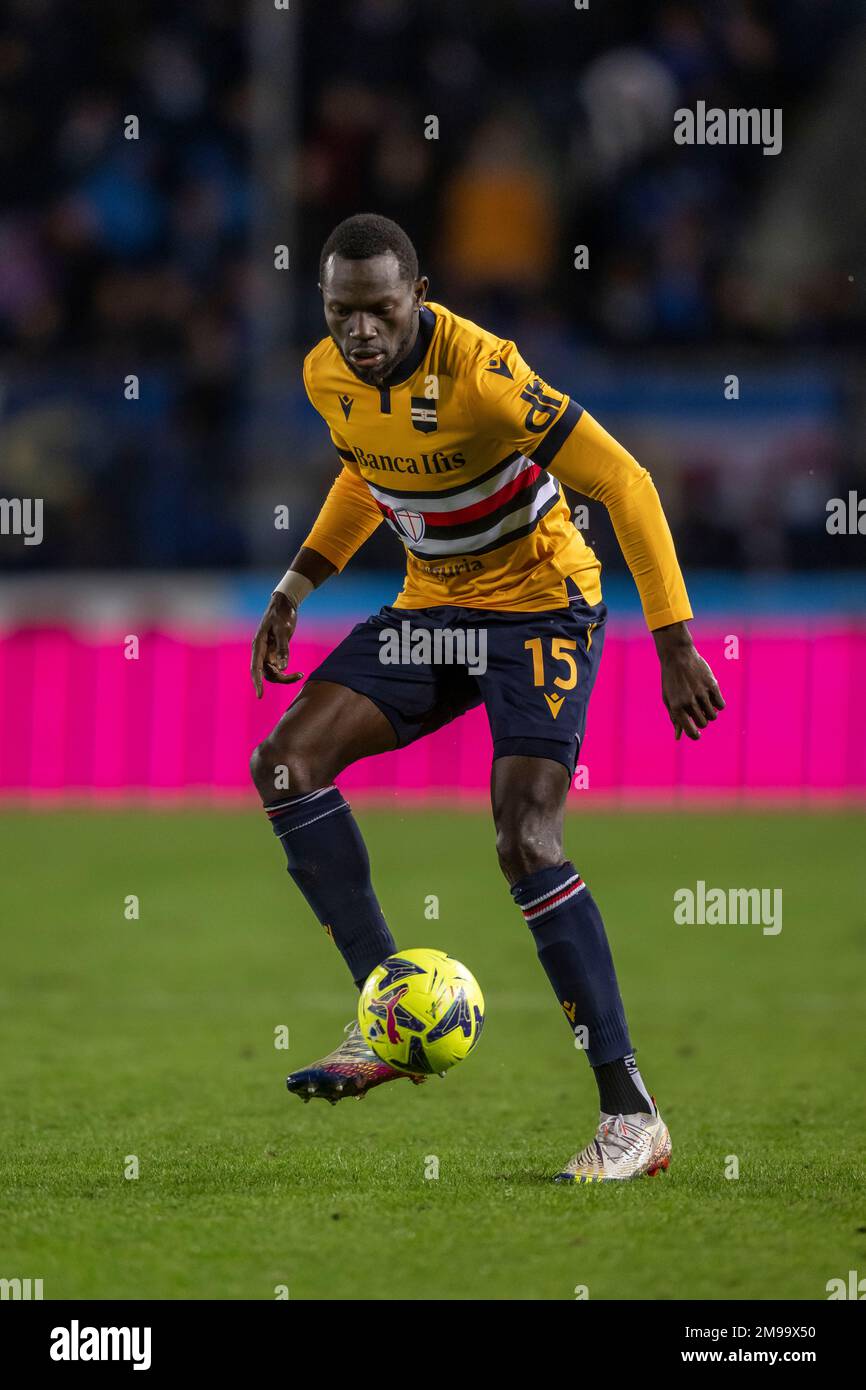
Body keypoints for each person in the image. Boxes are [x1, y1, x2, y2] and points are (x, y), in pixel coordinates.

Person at [249, 213, 724, 1183]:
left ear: (417, 297)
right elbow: (363, 469)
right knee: (284, 764)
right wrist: (296, 583)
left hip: (541, 607)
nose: (361, 333)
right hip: (435, 604)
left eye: (380, 309)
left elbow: (626, 482)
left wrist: (672, 640)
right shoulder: (324, 376)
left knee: (524, 839)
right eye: (343, 313)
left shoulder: (485, 375)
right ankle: (388, 1014)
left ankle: (630, 1113)